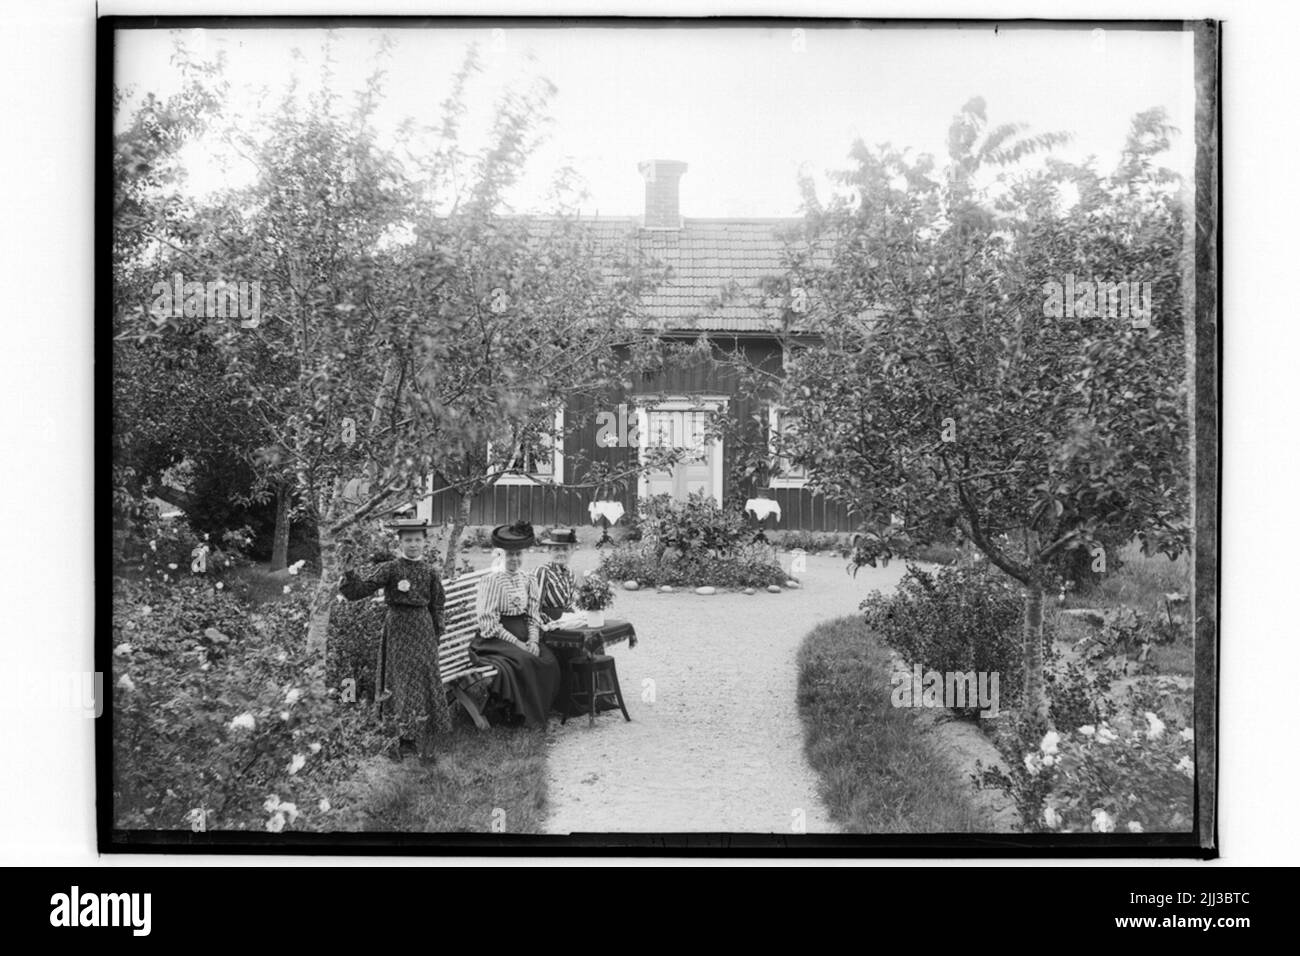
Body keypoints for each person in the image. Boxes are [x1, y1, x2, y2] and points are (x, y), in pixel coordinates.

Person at [339, 517, 450, 762]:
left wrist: (436, 633)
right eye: (408, 540)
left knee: (420, 681)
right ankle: (396, 737)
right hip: (397, 630)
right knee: (397, 680)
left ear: (424, 542)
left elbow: (438, 605)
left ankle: (416, 735)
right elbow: (359, 590)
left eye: (417, 540)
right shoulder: (390, 568)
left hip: (422, 632)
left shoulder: (430, 572)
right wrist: (349, 573)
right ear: (399, 542)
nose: (413, 545)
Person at [470, 520, 562, 727]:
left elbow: (532, 615)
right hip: (495, 639)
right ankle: (519, 715)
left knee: (548, 659)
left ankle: (539, 711)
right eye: (510, 554)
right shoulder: (492, 581)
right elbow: (488, 622)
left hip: (523, 634)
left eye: (518, 554)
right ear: (501, 555)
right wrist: (518, 644)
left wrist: (534, 640)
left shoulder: (528, 579)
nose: (514, 559)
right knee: (524, 661)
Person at [534, 527, 579, 623]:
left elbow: (571, 604)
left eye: (565, 549)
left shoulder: (571, 573)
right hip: (549, 624)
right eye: (556, 549)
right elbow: (534, 608)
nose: (561, 553)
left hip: (568, 621)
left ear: (571, 551)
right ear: (549, 550)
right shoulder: (542, 572)